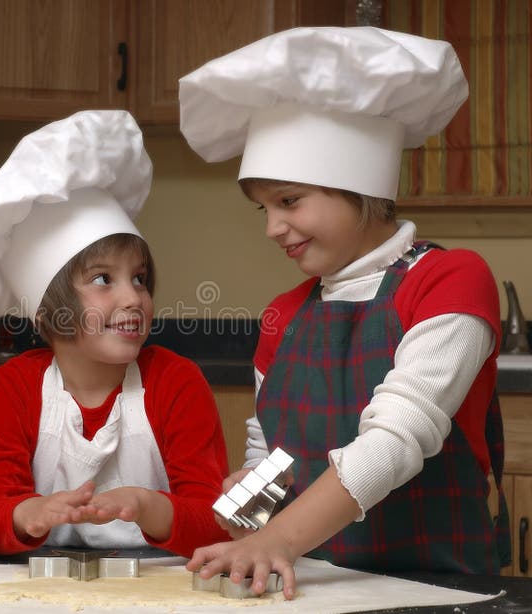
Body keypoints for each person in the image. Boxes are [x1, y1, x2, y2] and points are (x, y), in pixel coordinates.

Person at [177, 26, 511, 599]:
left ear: (358, 184)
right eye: (262, 208)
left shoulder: (448, 280)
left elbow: (398, 438)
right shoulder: (282, 317)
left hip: (438, 585)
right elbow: (275, 456)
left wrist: (278, 537)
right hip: (316, 584)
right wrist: (249, 505)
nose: (271, 228)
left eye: (288, 201)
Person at [0, 110, 230, 558]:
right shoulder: (16, 388)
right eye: (103, 279)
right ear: (51, 307)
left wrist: (147, 506)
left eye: (139, 278)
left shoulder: (176, 382)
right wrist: (29, 513)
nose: (134, 297)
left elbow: (216, 522)